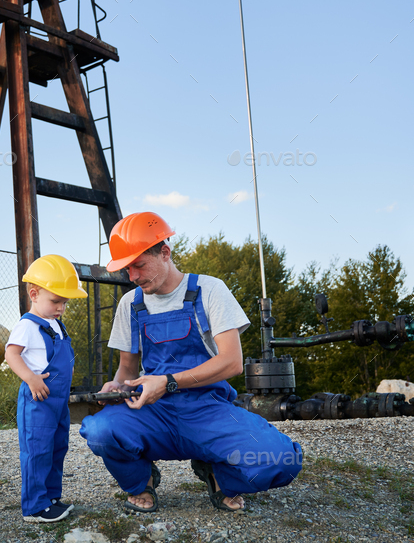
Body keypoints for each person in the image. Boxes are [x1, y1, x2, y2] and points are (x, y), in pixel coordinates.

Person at [80, 212, 302, 513]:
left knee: (280, 460)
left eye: (138, 265)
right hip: (154, 413)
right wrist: (118, 387)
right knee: (100, 431)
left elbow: (232, 362)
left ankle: (218, 472)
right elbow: (128, 369)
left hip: (208, 409)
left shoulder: (209, 291)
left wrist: (168, 382)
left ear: (165, 252)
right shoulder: (129, 305)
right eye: (127, 268)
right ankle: (141, 481)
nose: (132, 276)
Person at [5, 254, 86, 522]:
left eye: (64, 302)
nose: (61, 307)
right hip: (38, 401)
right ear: (34, 293)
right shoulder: (27, 325)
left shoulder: (56, 324)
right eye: (56, 301)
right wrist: (30, 377)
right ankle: (35, 507)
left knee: (57, 447)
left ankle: (51, 497)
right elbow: (11, 355)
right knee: (37, 450)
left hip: (58, 401)